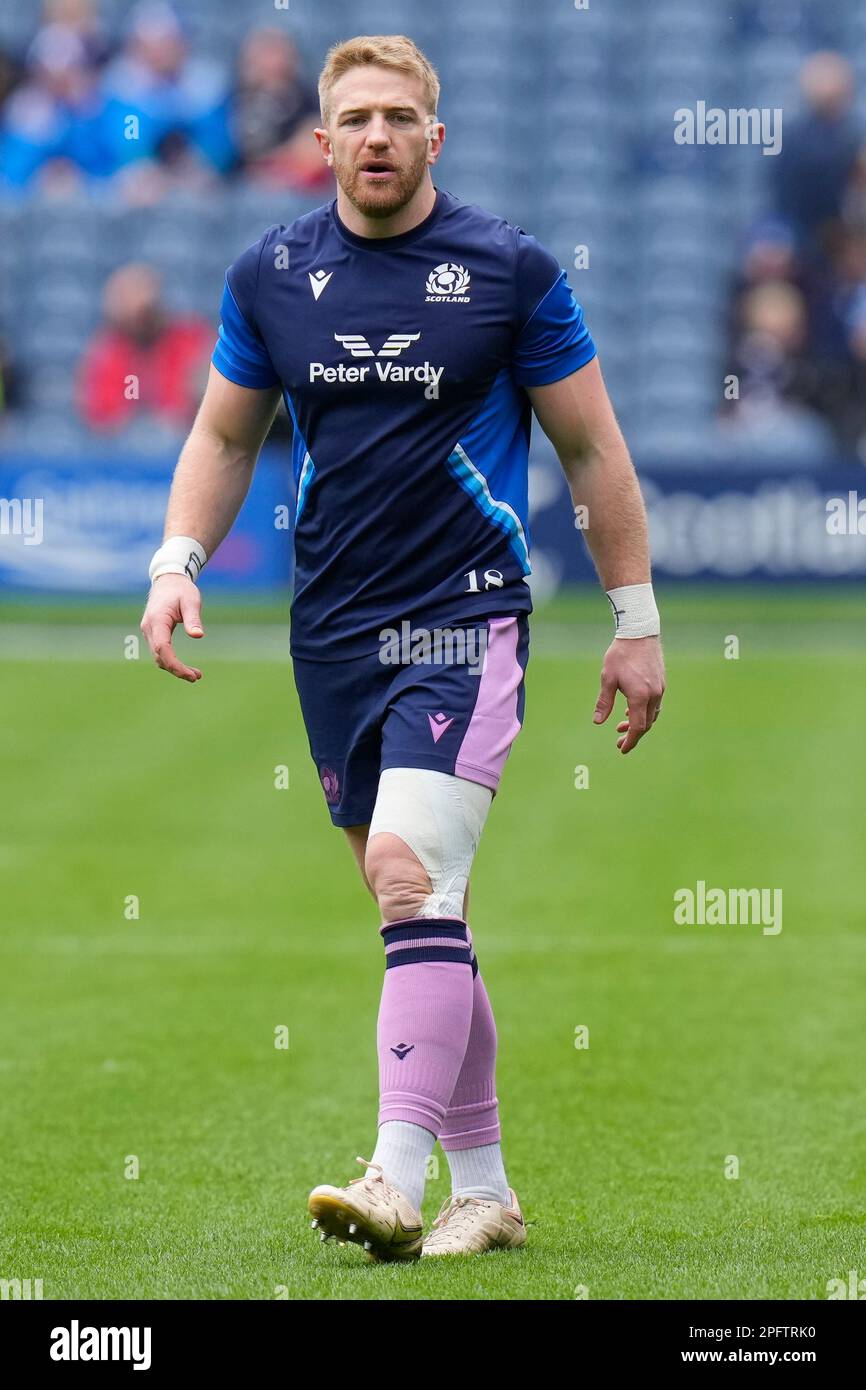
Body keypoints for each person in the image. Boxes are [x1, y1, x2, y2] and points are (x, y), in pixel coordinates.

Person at [140, 34, 665, 1262]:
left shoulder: (508, 271)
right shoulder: (270, 274)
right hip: (329, 632)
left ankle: (393, 1175)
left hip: (463, 618)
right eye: (355, 119)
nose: (375, 136)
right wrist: (176, 561)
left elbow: (591, 449)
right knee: (424, 914)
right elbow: (224, 437)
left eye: (398, 117)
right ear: (321, 140)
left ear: (435, 136)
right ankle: (487, 1193)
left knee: (405, 875)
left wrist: (635, 622)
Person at [78, 263, 211, 432]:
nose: (140, 321)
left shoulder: (191, 341)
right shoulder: (108, 352)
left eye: (146, 311)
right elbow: (101, 413)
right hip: (124, 443)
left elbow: (205, 401)